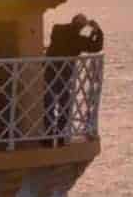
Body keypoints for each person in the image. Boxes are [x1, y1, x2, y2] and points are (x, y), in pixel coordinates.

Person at [43, 14, 103, 144]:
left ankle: (47, 136)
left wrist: (86, 29)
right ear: (81, 26)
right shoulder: (78, 40)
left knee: (48, 104)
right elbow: (96, 47)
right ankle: (59, 135)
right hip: (64, 74)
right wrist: (96, 30)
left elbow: (68, 37)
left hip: (50, 71)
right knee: (64, 106)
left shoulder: (57, 30)